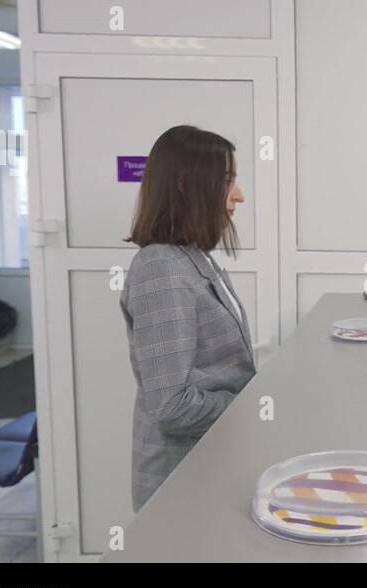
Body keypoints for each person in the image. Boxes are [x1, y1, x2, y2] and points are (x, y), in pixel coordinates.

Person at [120, 125, 256, 512]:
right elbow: (171, 405)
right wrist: (254, 406)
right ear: (185, 184)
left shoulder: (192, 257)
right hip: (180, 481)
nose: (240, 195)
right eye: (228, 181)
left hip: (210, 466)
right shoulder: (161, 267)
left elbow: (213, 365)